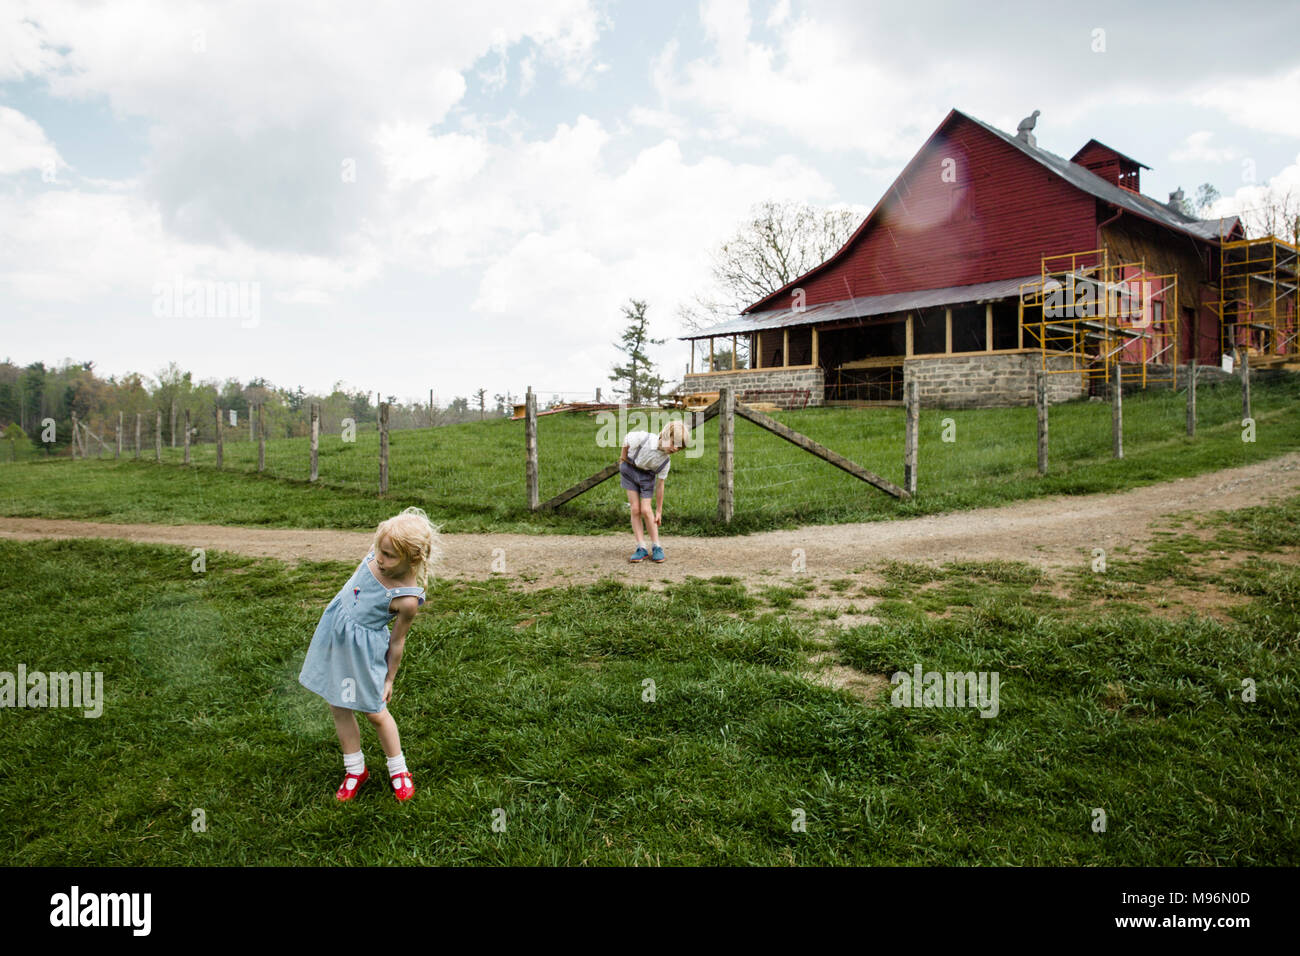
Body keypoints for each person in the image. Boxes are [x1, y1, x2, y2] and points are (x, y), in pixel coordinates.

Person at [299, 506, 442, 802]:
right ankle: (355, 769)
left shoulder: (407, 598)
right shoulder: (376, 557)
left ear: (413, 558)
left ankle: (398, 769)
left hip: (363, 655)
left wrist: (389, 678)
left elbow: (398, 642)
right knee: (338, 704)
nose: (380, 558)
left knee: (375, 712)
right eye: (380, 550)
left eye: (389, 555)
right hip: (336, 638)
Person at [619, 419, 690, 563]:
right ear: (664, 435)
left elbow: (660, 485)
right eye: (673, 443)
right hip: (630, 471)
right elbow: (626, 439)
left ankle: (657, 546)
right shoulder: (643, 438)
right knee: (635, 509)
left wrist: (659, 510)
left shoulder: (665, 462)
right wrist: (622, 459)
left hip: (647, 478)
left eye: (679, 447)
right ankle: (641, 547)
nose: (675, 449)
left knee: (646, 510)